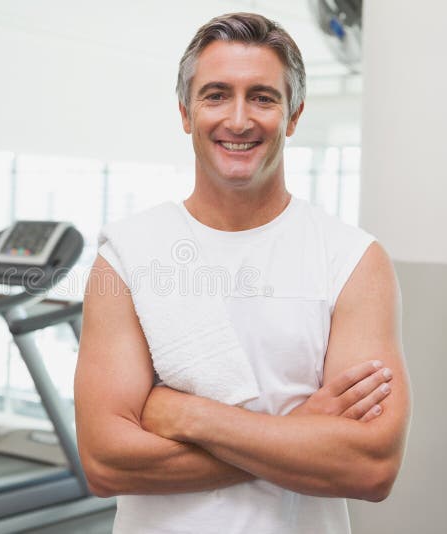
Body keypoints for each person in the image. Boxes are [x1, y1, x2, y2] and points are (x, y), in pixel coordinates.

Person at [75, 12, 411, 534]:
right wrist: (298, 434)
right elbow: (105, 462)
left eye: (262, 97)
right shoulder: (128, 256)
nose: (238, 120)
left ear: (293, 116)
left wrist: (191, 416)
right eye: (216, 96)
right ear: (186, 113)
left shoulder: (353, 260)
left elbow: (369, 467)